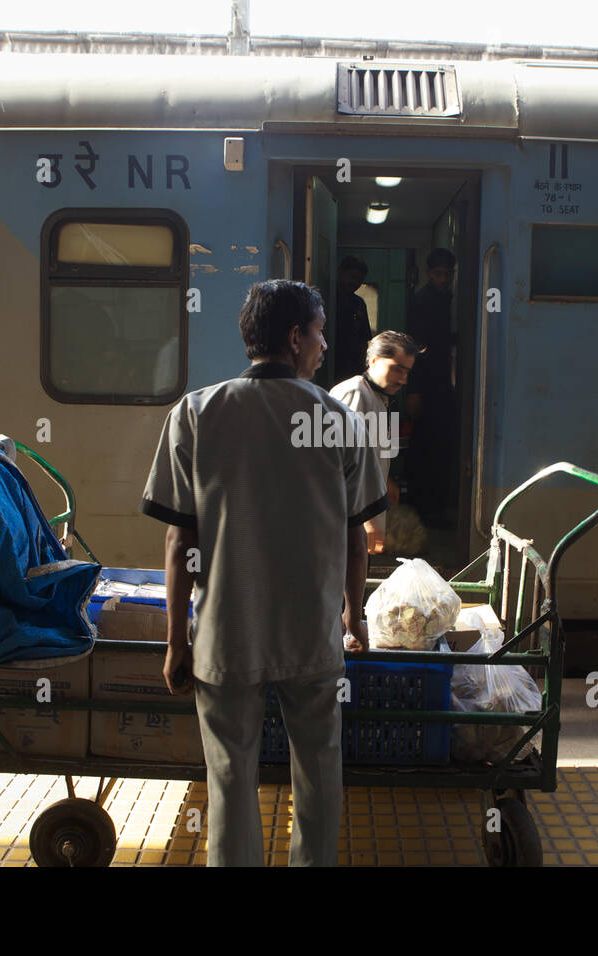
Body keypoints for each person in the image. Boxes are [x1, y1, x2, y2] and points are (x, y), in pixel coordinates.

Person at [140, 279, 388, 867]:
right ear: (296, 337)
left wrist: (177, 641)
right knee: (320, 771)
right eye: (321, 332)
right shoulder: (336, 419)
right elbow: (357, 540)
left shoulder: (196, 413)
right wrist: (354, 617)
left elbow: (180, 541)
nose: (325, 346)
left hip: (228, 632)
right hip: (310, 631)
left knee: (227, 777)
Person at [328, 331, 422, 554]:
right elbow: (342, 462)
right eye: (397, 368)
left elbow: (369, 453)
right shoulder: (355, 393)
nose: (403, 379)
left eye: (407, 371)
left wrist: (386, 481)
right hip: (350, 520)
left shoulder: (379, 399)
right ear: (374, 361)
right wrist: (366, 518)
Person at [406, 248, 457, 527]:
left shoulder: (445, 299)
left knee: (436, 445)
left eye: (448, 275)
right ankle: (422, 508)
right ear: (429, 273)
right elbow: (416, 347)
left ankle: (430, 507)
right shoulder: (423, 302)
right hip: (426, 383)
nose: (443, 279)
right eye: (439, 274)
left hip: (440, 382)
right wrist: (413, 390)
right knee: (426, 446)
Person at [333, 255, 373, 383]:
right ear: (341, 273)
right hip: (328, 361)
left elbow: (364, 339)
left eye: (360, 280)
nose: (355, 283)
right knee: (319, 402)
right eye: (352, 277)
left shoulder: (358, 304)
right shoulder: (328, 298)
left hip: (351, 366)